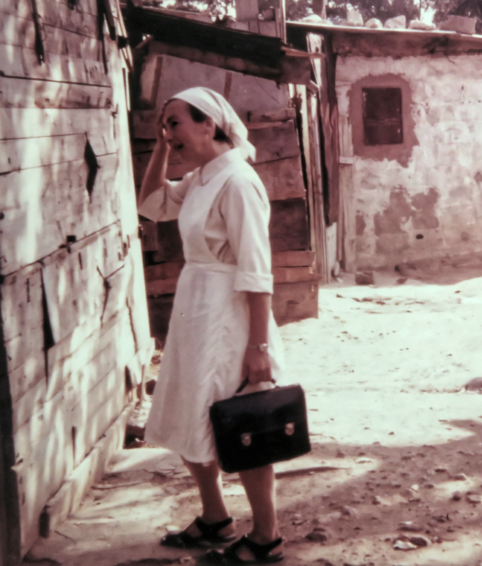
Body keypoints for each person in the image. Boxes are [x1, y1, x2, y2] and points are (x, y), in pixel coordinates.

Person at [137, 86, 285, 565]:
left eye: (175, 122)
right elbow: (152, 204)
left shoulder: (238, 181)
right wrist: (161, 146)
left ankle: (266, 537)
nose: (169, 131)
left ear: (209, 123)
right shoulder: (201, 177)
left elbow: (257, 269)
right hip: (194, 308)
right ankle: (215, 517)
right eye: (165, 124)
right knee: (188, 413)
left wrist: (258, 344)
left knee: (240, 421)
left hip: (229, 312)